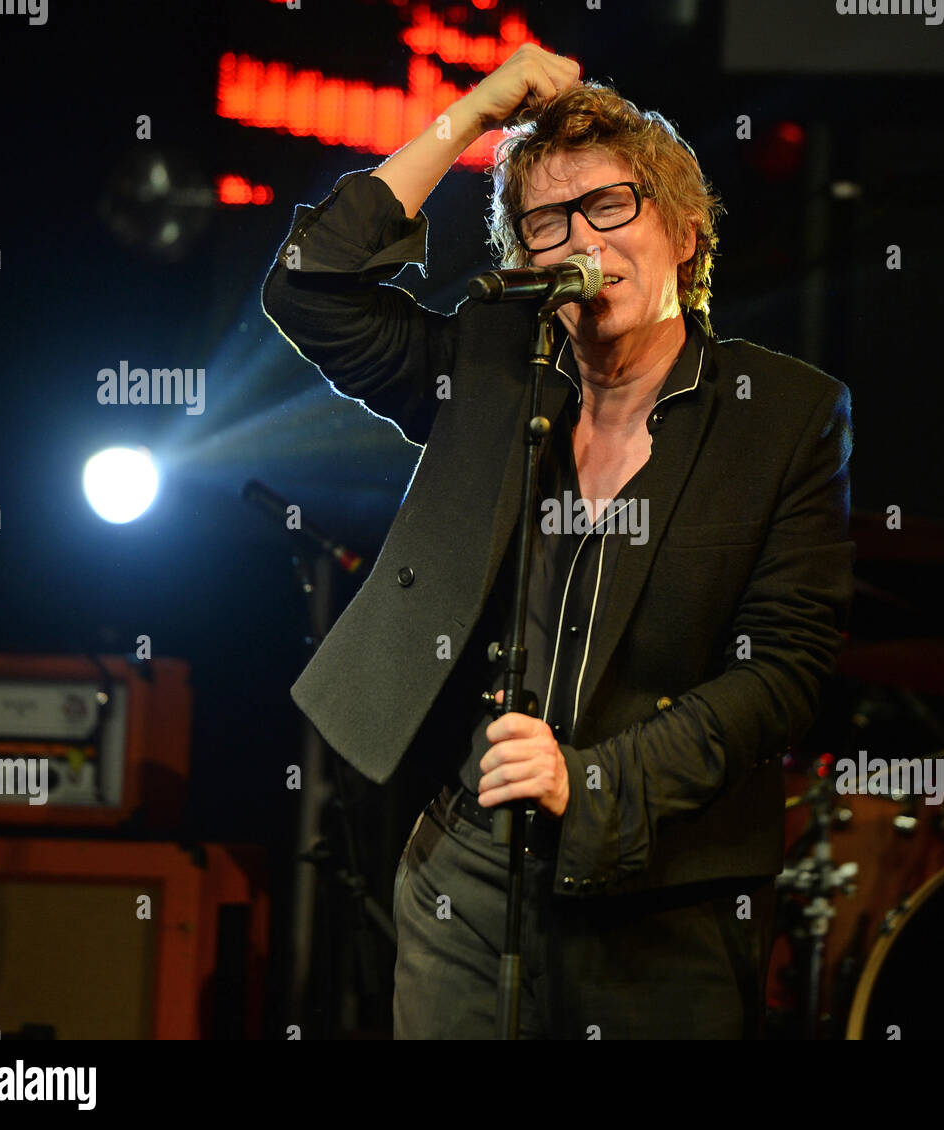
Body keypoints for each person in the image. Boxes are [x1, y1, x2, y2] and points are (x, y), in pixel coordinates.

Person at [261, 43, 854, 1039]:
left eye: (610, 206)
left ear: (684, 230)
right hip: (470, 868)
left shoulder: (784, 413)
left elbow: (786, 666)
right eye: (548, 219)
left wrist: (591, 780)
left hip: (661, 888)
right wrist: (474, 112)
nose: (581, 237)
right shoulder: (493, 370)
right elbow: (310, 286)